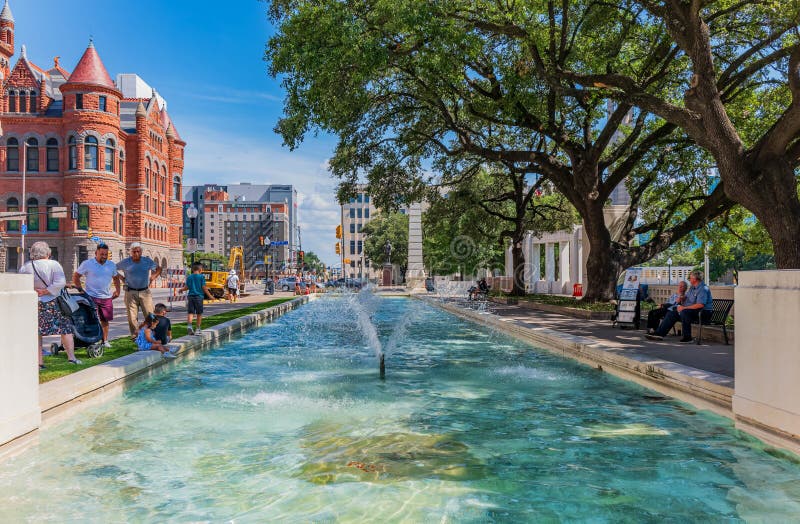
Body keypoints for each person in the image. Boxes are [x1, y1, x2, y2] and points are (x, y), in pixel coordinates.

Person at [20, 241, 81, 368]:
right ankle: (72, 358)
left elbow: (21, 284)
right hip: (54, 302)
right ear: (48, 252)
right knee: (65, 329)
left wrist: (36, 291)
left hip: (35, 303)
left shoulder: (26, 266)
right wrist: (46, 291)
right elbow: (60, 283)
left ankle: (39, 363)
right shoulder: (54, 264)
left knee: (37, 332)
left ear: (32, 253)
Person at [73, 243, 121, 348]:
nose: (104, 256)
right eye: (102, 254)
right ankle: (91, 340)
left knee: (105, 320)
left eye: (106, 254)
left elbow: (116, 278)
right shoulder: (87, 263)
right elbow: (76, 276)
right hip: (91, 296)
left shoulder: (111, 265)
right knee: (91, 319)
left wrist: (118, 291)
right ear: (96, 253)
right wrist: (80, 289)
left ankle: (105, 341)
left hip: (106, 297)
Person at [646, 270, 713, 342]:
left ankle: (687, 338)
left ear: (695, 279)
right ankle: (659, 334)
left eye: (690, 278)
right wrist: (682, 298)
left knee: (684, 312)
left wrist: (684, 308)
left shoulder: (703, 289)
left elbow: (700, 304)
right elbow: (687, 299)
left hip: (703, 313)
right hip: (691, 311)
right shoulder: (692, 288)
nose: (689, 279)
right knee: (672, 313)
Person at [116, 243, 162, 339]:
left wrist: (153, 276)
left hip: (145, 291)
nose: (136, 253)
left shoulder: (147, 261)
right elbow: (113, 269)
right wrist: (121, 278)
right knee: (132, 317)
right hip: (130, 292)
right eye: (134, 251)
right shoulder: (125, 262)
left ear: (141, 252)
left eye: (138, 251)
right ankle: (136, 336)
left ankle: (153, 333)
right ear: (131, 252)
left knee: (150, 315)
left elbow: (159, 268)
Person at [181, 262, 215, 335]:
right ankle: (198, 329)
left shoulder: (189, 277)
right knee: (199, 313)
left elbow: (187, 287)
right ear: (200, 269)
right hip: (199, 297)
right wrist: (210, 296)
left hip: (190, 297)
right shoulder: (201, 277)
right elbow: (204, 288)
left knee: (190, 312)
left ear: (192, 269)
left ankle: (189, 326)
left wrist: (181, 290)